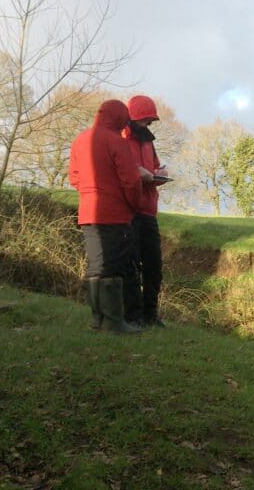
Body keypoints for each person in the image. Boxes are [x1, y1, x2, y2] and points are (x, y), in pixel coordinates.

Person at [68, 99, 144, 334]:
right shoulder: (117, 142)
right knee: (113, 265)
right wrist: (134, 205)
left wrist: (89, 192)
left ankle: (97, 320)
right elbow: (131, 181)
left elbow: (74, 177)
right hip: (114, 213)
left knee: (96, 264)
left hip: (88, 212)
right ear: (119, 118)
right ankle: (113, 323)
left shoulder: (80, 139)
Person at [122, 95, 168, 328]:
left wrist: (161, 172)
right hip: (129, 210)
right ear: (134, 118)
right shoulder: (120, 138)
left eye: (151, 121)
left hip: (150, 210)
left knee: (153, 266)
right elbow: (117, 169)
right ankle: (133, 315)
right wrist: (136, 172)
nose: (148, 125)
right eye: (145, 120)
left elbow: (155, 166)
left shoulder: (150, 143)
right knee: (131, 266)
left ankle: (150, 314)